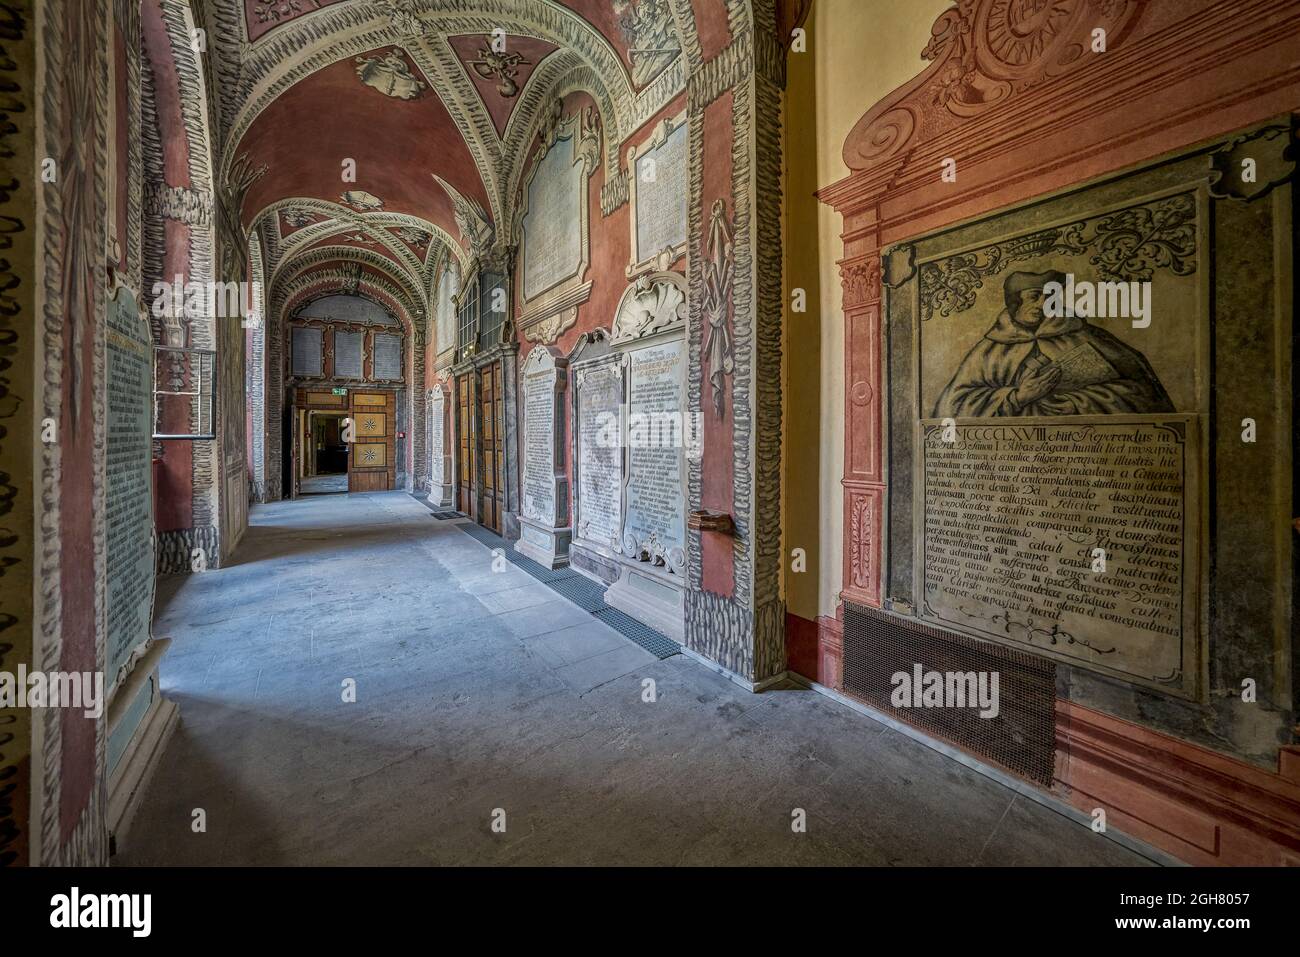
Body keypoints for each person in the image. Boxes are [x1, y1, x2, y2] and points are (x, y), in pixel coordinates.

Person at [932, 270, 1174, 418]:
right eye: (1034, 297)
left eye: (1050, 298)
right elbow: (953, 406)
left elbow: (1143, 393)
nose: (1042, 304)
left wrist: (1076, 402)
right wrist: (1018, 397)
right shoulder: (991, 348)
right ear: (1015, 303)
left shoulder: (1084, 335)